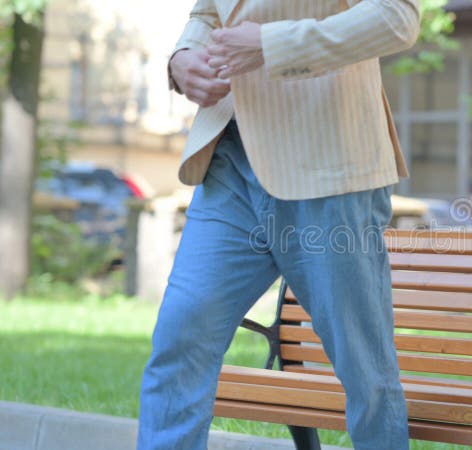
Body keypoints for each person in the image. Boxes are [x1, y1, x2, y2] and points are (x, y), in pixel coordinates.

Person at [136, 1, 420, 449]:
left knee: (362, 365)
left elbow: (396, 18)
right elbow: (208, 13)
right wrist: (182, 60)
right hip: (228, 159)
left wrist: (274, 44)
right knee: (181, 337)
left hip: (330, 163)